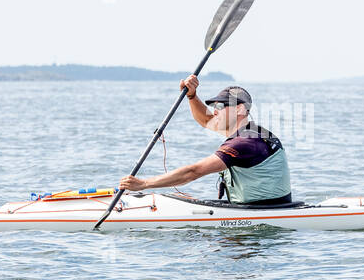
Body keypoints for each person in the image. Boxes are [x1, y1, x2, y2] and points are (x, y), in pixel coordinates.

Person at [118, 77, 292, 204]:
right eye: (214, 107)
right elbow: (205, 120)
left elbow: (193, 172)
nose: (214, 111)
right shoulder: (253, 131)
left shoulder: (245, 143)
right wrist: (192, 96)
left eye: (220, 107)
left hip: (261, 217)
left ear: (239, 109)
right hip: (260, 208)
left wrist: (144, 184)